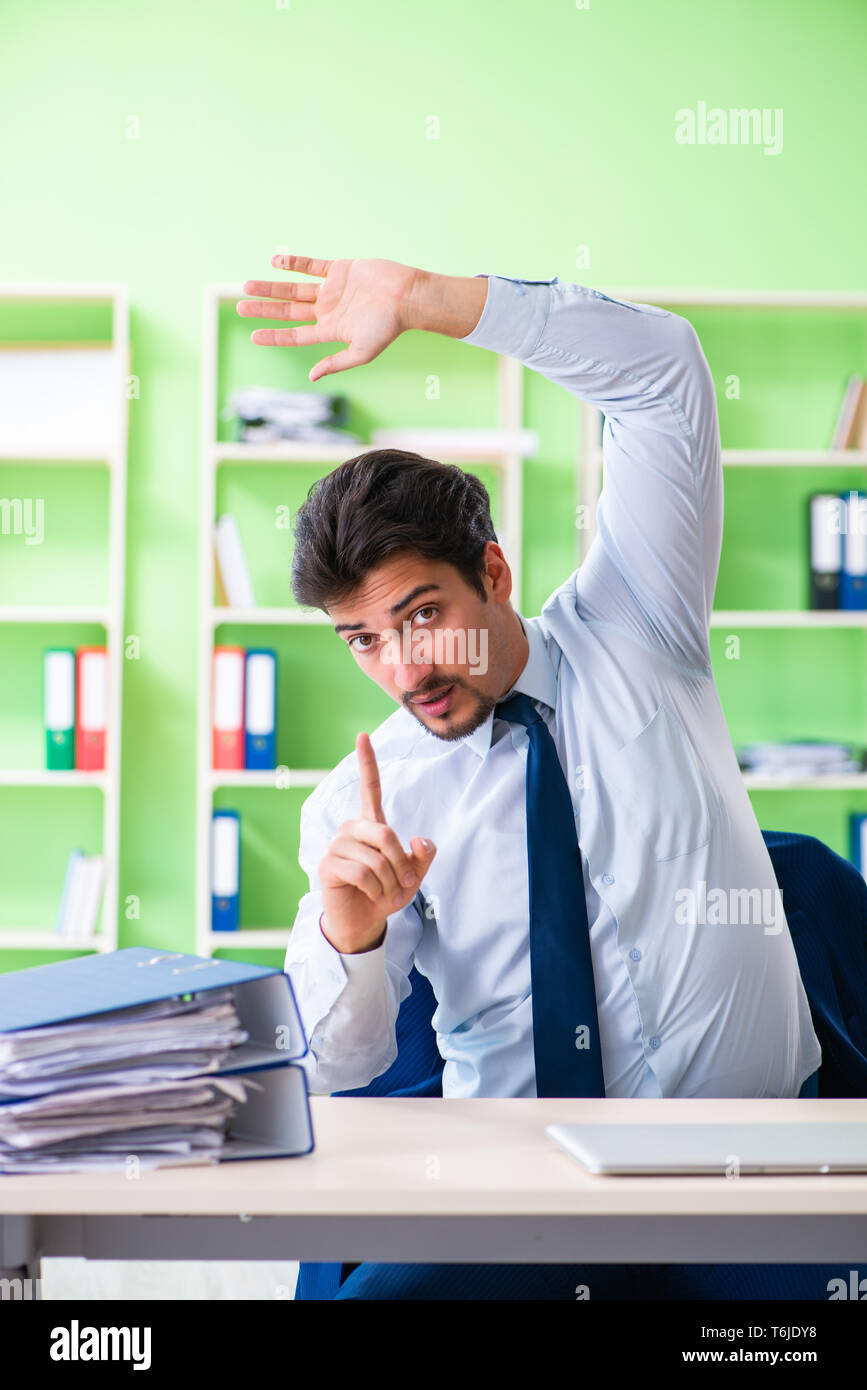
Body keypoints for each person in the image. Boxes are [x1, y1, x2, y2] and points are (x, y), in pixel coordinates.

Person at [236, 256, 828, 1300]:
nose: (403, 668)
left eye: (422, 614)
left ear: (495, 573)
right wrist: (349, 934)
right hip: (515, 1180)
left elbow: (662, 372)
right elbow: (338, 1065)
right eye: (362, 639)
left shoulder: (637, 629)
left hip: (744, 1165)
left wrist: (427, 300)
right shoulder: (365, 798)